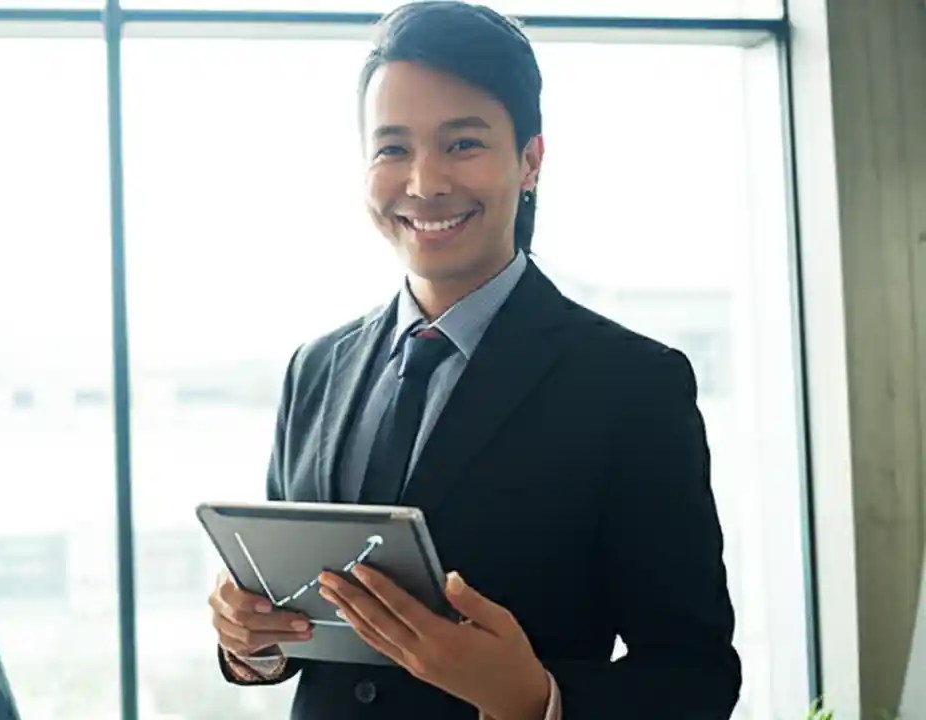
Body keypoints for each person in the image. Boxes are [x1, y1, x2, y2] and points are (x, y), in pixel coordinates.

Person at [207, 2, 742, 718]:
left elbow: (697, 677)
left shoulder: (632, 386)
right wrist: (253, 643)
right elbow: (302, 621)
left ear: (530, 161)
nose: (424, 183)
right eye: (392, 148)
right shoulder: (317, 368)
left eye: (462, 144)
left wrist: (534, 698)